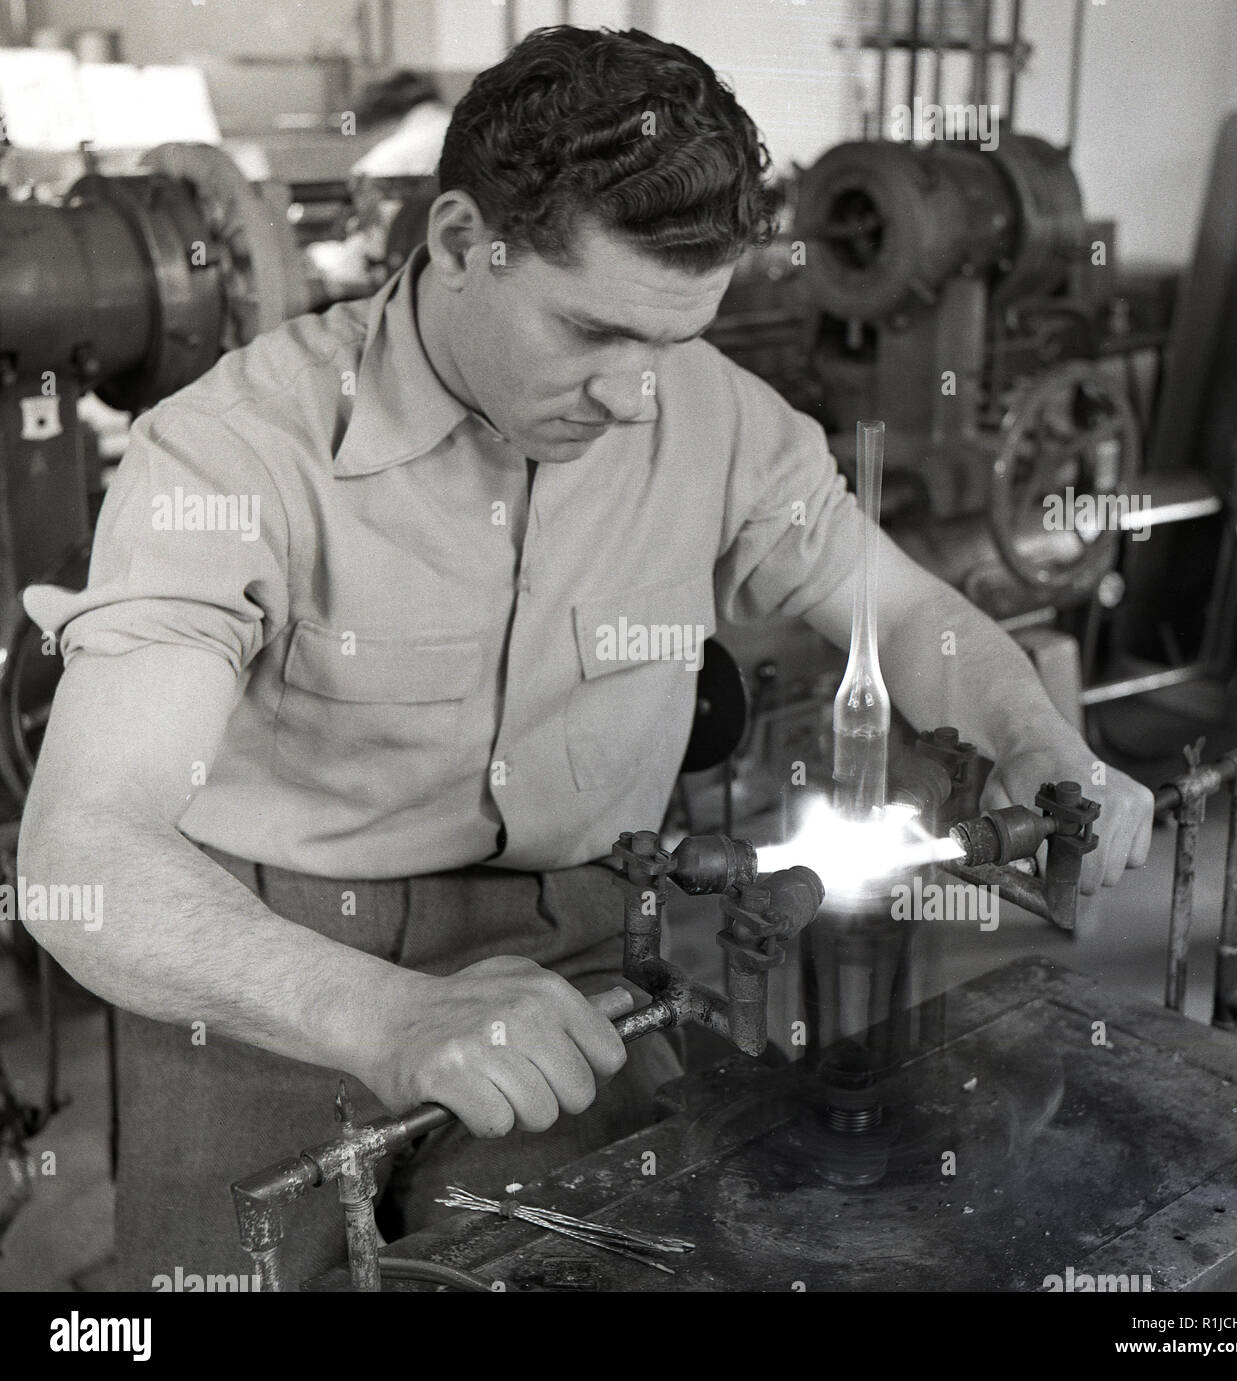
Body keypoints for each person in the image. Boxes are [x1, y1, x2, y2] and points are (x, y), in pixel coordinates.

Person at [17, 25, 1153, 1290]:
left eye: (674, 341)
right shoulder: (231, 453)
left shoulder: (720, 421)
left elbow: (912, 614)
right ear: (458, 243)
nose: (637, 396)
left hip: (588, 956)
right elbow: (83, 857)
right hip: (264, 983)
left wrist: (1042, 739)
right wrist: (385, 1017)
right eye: (593, 332)